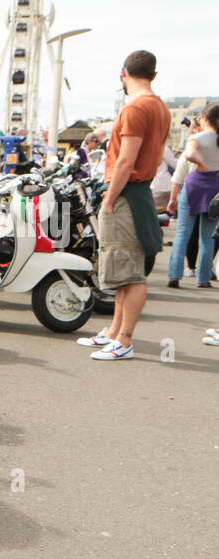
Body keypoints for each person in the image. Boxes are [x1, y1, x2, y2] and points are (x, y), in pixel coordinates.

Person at [76, 51, 171, 360]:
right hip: (140, 192)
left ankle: (124, 340)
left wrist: (110, 197)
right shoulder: (160, 108)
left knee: (128, 272)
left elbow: (126, 159)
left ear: (123, 72)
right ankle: (115, 332)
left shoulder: (135, 109)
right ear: (154, 75)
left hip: (127, 193)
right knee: (122, 270)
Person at [165, 103, 219, 289]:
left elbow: (189, 154)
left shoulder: (196, 137)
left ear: (204, 118)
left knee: (183, 233)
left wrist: (202, 164)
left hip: (194, 186)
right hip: (215, 188)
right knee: (208, 236)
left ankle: (174, 275)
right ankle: (203, 279)